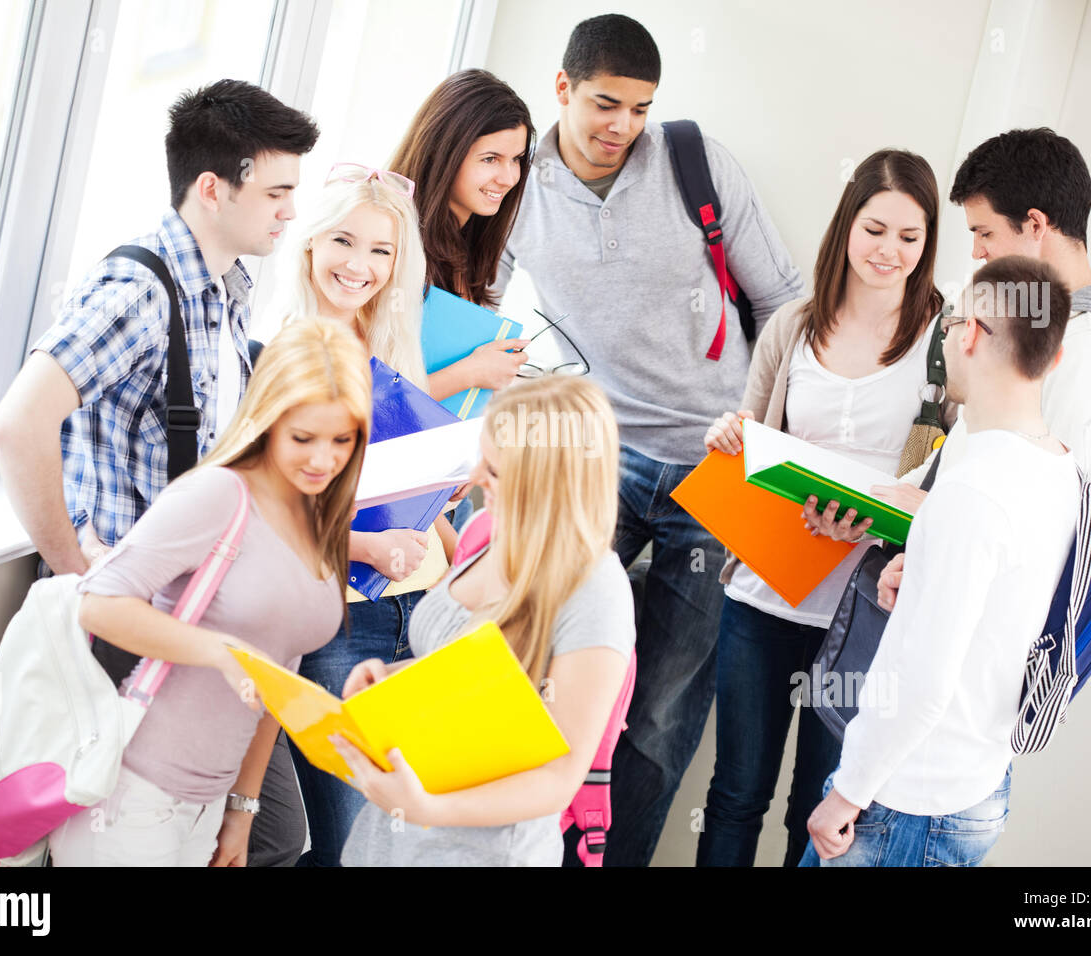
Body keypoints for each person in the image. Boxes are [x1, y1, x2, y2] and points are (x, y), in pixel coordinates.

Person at [492, 13, 803, 865]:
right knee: (536, 656)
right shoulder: (516, 183)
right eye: (603, 103)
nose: (620, 125)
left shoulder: (694, 160)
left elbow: (784, 305)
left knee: (664, 712)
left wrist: (762, 437)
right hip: (599, 464)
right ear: (561, 88)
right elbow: (472, 314)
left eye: (638, 107)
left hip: (719, 472)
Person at [0, 79, 319, 867]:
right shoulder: (137, 290)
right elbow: (16, 423)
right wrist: (82, 571)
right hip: (135, 625)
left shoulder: (227, 295)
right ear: (214, 187)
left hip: (200, 615)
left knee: (263, 836)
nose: (289, 211)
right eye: (276, 191)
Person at [696, 150, 948, 867]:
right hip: (764, 595)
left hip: (862, 610)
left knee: (821, 807)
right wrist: (727, 436)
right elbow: (747, 441)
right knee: (736, 794)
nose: (889, 252)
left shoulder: (946, 343)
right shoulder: (794, 326)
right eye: (875, 229)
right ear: (846, 226)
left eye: (910, 236)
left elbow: (953, 479)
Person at [48, 318, 372, 866]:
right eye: (304, 438)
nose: (324, 460)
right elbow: (99, 600)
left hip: (207, 805)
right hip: (132, 794)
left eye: (342, 440)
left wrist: (241, 811)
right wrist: (218, 651)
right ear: (267, 420)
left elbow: (281, 679)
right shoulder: (219, 494)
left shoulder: (315, 514)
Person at [802, 256, 1079, 867]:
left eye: (952, 323)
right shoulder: (1061, 466)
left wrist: (845, 796)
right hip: (976, 778)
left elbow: (923, 685)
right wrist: (925, 572)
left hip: (906, 801)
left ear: (972, 334)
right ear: (1052, 358)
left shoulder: (972, 490)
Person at [334, 377, 635, 866]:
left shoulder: (595, 590)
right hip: (392, 840)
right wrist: (392, 677)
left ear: (545, 478)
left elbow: (558, 779)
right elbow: (469, 676)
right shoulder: (483, 534)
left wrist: (427, 807)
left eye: (494, 470)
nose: (475, 476)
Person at [268, 168, 452, 866]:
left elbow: (414, 483)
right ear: (310, 243)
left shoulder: (393, 347)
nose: (360, 265)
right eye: (344, 240)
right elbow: (274, 511)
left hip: (421, 608)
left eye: (381, 250)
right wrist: (370, 551)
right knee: (340, 839)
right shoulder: (283, 352)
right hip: (338, 615)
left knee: (395, 837)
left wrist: (448, 516)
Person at [879, 127, 1091, 512]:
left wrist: (928, 507)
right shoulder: (1037, 324)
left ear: (1036, 225)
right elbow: (962, 454)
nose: (977, 251)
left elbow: (1042, 508)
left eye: (984, 232)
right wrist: (875, 503)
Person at [389, 68, 536, 529]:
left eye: (516, 160)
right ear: (446, 150)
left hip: (440, 484)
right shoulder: (389, 242)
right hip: (391, 494)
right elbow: (366, 403)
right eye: (491, 158)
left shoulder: (466, 247)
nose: (507, 176)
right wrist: (474, 370)